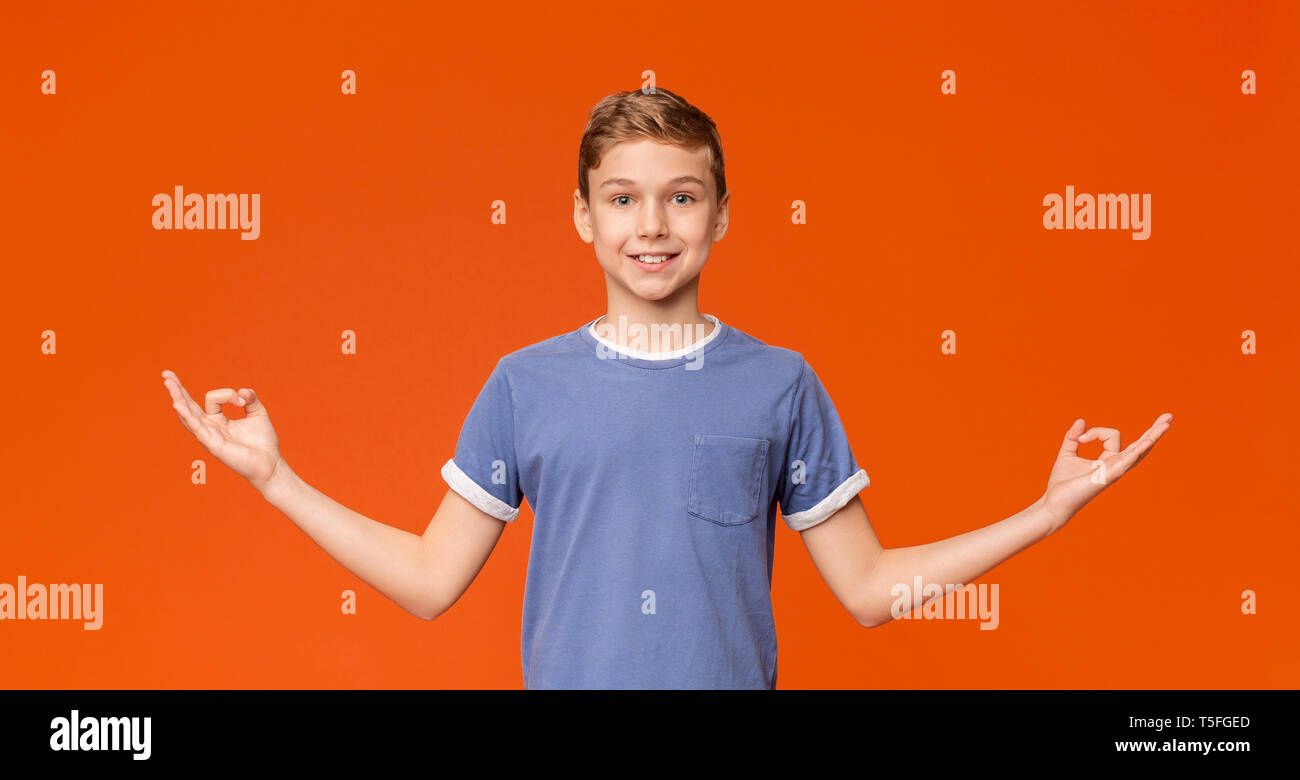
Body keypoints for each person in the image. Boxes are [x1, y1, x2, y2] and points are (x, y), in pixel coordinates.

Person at [162, 87, 1173, 689]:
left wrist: (1043, 515)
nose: (652, 224)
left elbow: (868, 592)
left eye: (680, 196)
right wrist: (277, 479)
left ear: (720, 215)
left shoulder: (780, 385)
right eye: (623, 199)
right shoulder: (525, 385)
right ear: (582, 218)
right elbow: (431, 582)